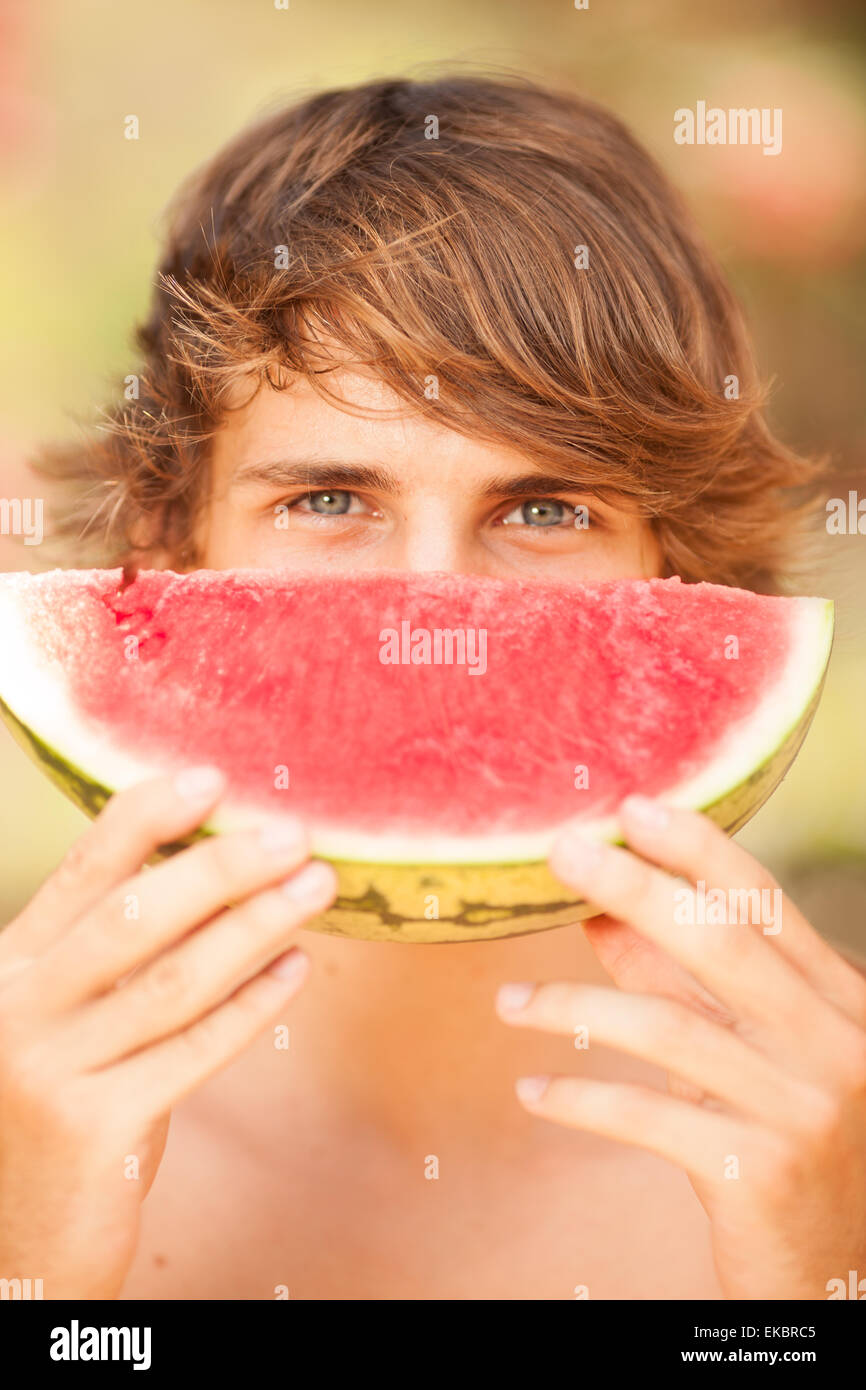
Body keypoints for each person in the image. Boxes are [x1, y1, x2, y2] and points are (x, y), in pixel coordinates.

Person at [3, 73, 864, 1301]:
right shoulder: (13, 1129)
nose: (431, 612)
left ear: (669, 570)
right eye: (328, 500)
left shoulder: (839, 1141)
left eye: (545, 507)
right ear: (168, 541)